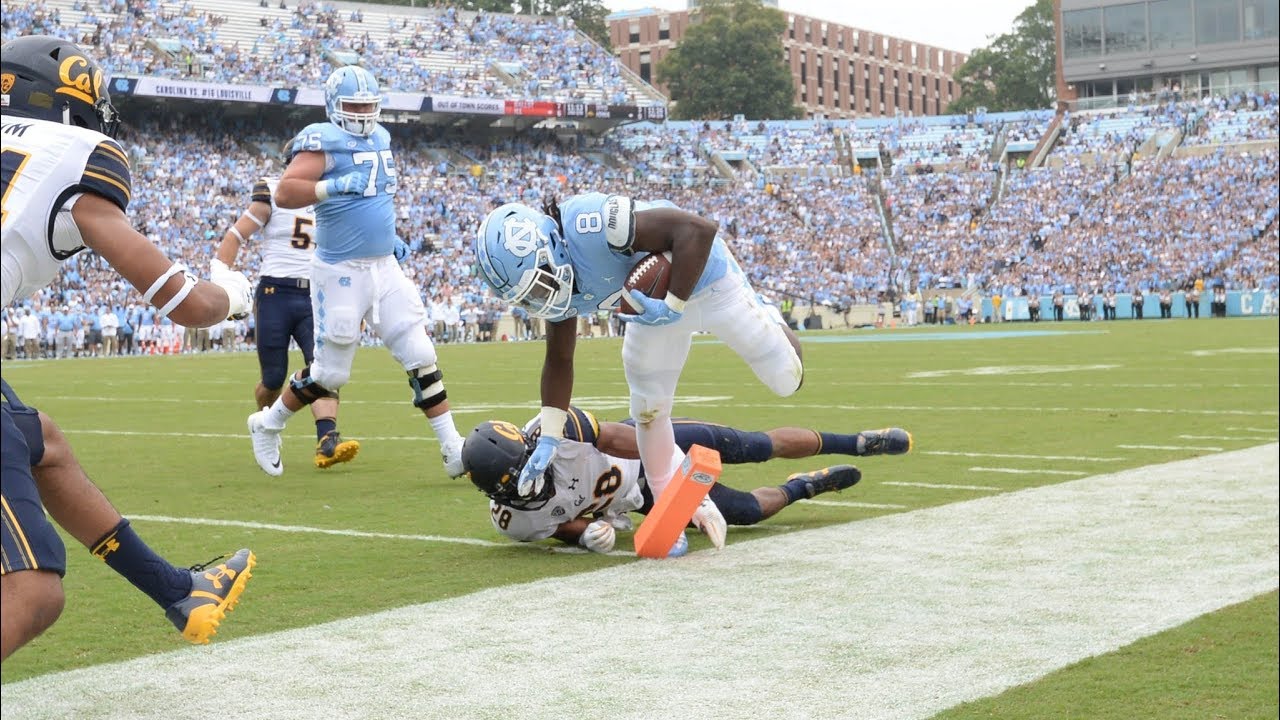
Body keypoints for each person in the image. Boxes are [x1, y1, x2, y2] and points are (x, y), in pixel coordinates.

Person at [1, 35, 257, 660]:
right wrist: (233, 290)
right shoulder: (74, 153)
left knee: (44, 443)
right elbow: (190, 306)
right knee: (33, 592)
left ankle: (181, 593)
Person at [475, 194, 808, 550]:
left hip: (705, 280)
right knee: (648, 408)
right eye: (529, 296)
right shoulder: (558, 283)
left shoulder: (594, 224)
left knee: (787, 378)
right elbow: (559, 359)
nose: (541, 298)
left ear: (550, 246)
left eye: (539, 285)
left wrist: (674, 303)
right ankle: (672, 514)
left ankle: (770, 316)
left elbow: (698, 230)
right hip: (650, 308)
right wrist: (550, 436)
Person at [246, 65, 465, 478]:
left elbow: (373, 198)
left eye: (369, 104)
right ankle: (267, 423)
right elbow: (287, 191)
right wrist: (332, 186)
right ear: (334, 107)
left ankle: (452, 446)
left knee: (419, 352)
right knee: (330, 372)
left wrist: (390, 235)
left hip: (384, 265)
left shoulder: (382, 136)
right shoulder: (322, 140)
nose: (364, 113)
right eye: (354, 105)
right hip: (340, 269)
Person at [460, 406, 912, 554]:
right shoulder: (511, 520)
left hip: (653, 446)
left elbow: (625, 438)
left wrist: (678, 473)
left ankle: (855, 441)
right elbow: (555, 525)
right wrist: (584, 537)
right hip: (641, 499)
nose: (530, 481)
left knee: (754, 446)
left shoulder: (557, 429)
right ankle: (805, 485)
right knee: (746, 514)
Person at [216, 153, 357, 469]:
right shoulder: (273, 190)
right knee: (273, 378)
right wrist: (222, 279)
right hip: (274, 293)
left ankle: (327, 439)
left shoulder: (328, 197)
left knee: (324, 368)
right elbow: (236, 235)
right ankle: (266, 425)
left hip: (314, 295)